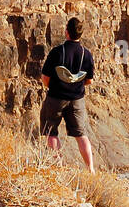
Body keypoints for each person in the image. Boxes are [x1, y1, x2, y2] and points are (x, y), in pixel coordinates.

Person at [39, 17, 96, 172]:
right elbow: (89, 80)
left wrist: (56, 87)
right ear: (81, 34)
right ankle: (91, 170)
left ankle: (59, 167)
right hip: (77, 100)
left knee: (51, 131)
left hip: (56, 98)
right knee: (81, 134)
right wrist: (76, 86)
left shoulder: (57, 52)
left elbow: (45, 78)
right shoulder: (87, 54)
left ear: (66, 32)